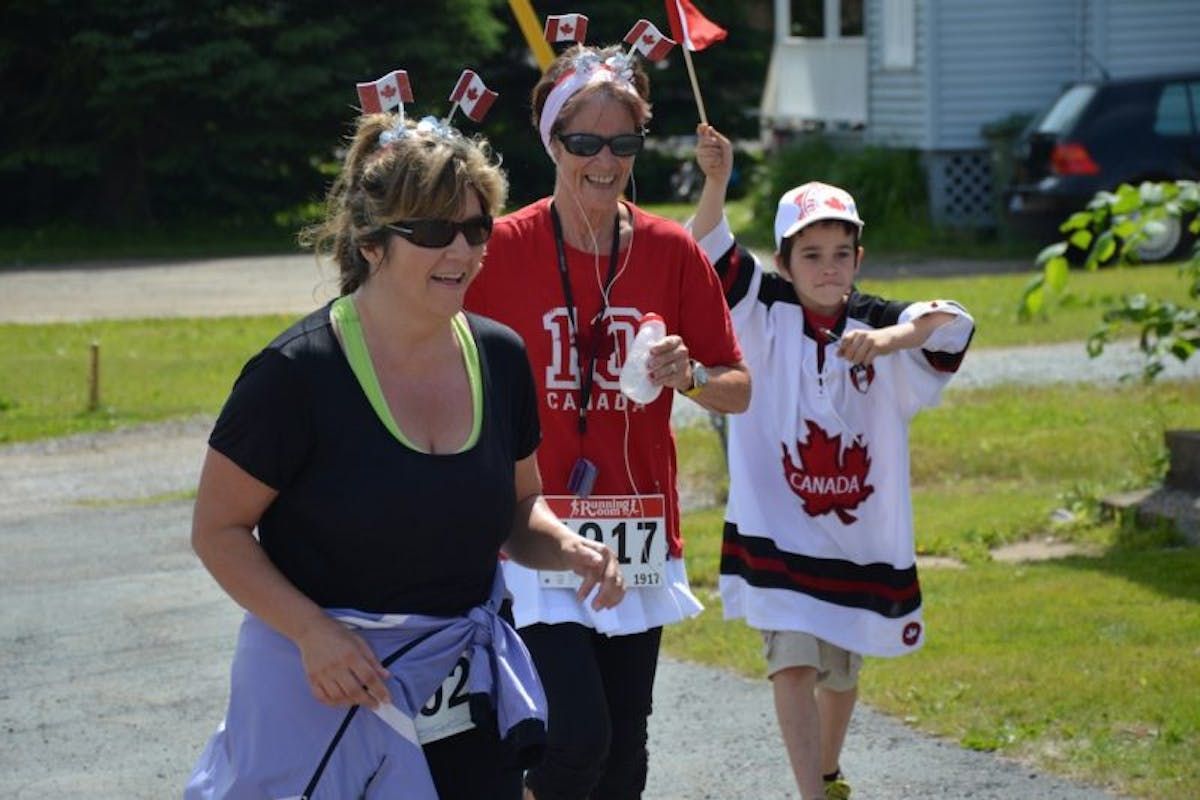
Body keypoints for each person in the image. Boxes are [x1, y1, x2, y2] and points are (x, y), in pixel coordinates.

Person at [184, 109, 625, 800]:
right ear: (371, 243)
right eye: (429, 231)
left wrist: (567, 547)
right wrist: (312, 632)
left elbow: (517, 508)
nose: (460, 252)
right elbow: (217, 530)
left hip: (462, 679)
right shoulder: (296, 374)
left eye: (475, 229)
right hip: (327, 681)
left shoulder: (501, 357)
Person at [464, 44, 751, 800]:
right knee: (575, 737)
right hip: (537, 528)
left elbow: (738, 387)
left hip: (638, 527)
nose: (604, 160)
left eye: (622, 144)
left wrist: (688, 375)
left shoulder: (672, 249)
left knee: (626, 743)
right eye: (582, 142)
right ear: (552, 144)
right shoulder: (500, 249)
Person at [688, 124, 975, 800]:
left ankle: (826, 770)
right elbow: (704, 245)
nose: (828, 267)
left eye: (841, 253)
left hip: (856, 540)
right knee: (792, 665)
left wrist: (890, 338)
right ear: (784, 261)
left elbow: (953, 322)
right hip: (776, 532)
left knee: (841, 674)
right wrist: (716, 181)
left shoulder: (879, 322)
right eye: (811, 254)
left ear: (859, 257)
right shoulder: (761, 308)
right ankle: (810, 793)